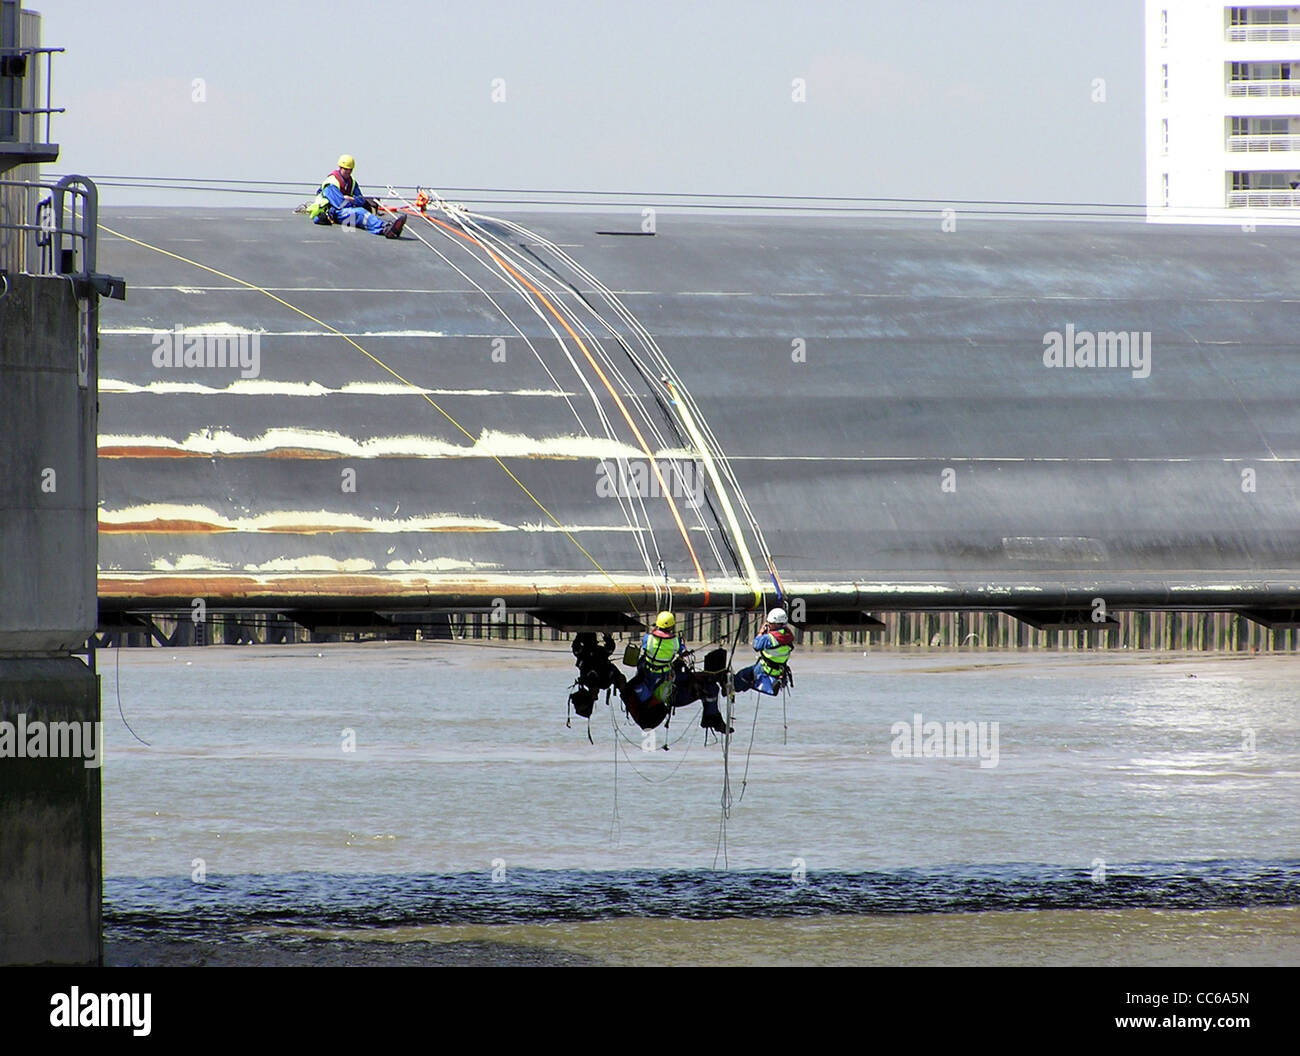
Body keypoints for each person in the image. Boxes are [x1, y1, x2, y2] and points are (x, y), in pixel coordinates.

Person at [308, 154, 405, 238]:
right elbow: (340, 204)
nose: (348, 172)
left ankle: (386, 226)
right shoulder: (331, 183)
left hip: (345, 210)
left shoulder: (352, 182)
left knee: (361, 212)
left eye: (350, 170)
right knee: (360, 212)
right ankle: (384, 229)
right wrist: (352, 202)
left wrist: (352, 199)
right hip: (333, 212)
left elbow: (361, 200)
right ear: (340, 167)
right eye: (345, 169)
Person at [733, 607, 795, 696]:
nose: (769, 625)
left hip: (764, 669)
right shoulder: (788, 636)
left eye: (770, 623)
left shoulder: (770, 638)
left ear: (776, 624)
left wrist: (761, 632)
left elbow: (756, 645)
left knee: (742, 676)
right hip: (779, 671)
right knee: (746, 679)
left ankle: (732, 687)